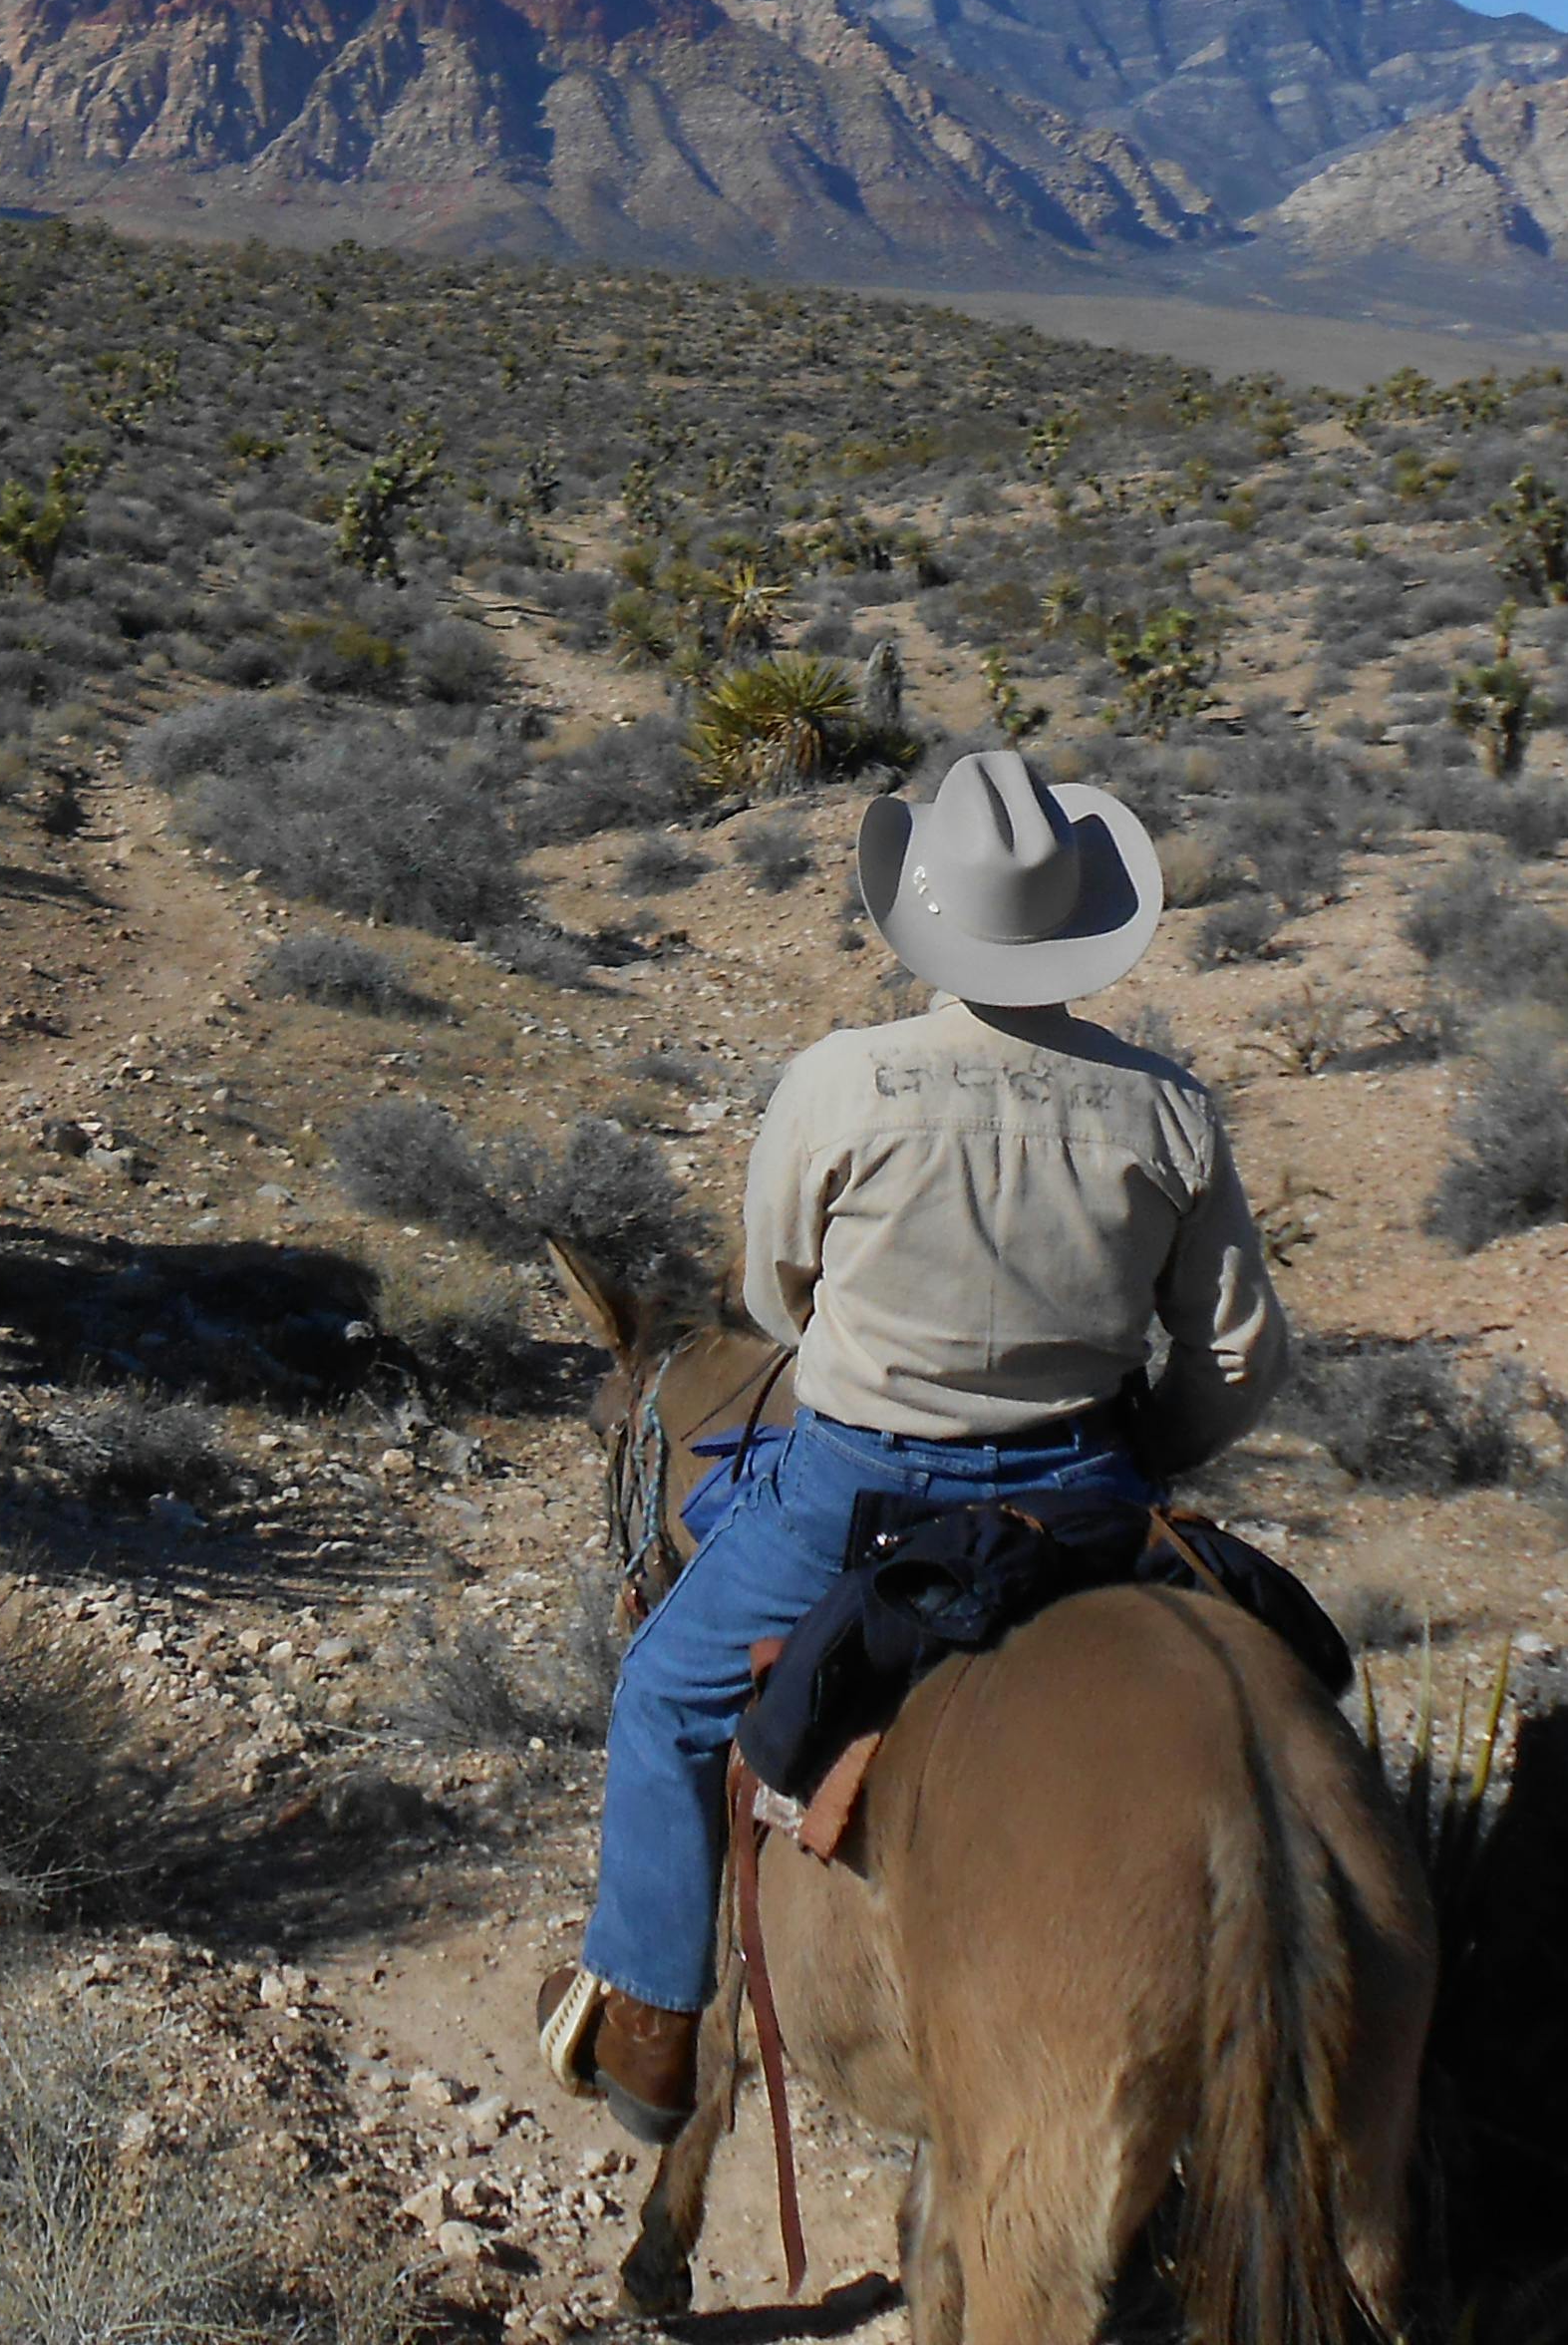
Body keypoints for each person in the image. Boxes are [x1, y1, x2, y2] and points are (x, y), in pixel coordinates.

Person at [536, 747, 1294, 2142]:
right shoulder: (1170, 1110)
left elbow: (774, 1293)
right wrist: (1145, 1452)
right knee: (1282, 1685)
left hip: (855, 1486)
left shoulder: (843, 1081)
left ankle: (650, 2024)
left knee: (661, 1689)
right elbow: (1238, 1353)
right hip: (1088, 1491)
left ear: (927, 914)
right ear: (1078, 917)